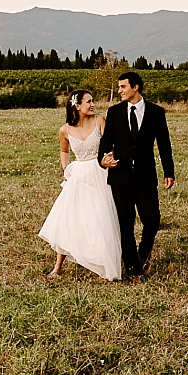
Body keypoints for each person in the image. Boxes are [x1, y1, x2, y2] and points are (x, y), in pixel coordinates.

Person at [38, 90, 122, 281]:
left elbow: (110, 145)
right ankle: (58, 266)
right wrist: (65, 169)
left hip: (100, 172)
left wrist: (109, 159)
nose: (93, 104)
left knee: (100, 216)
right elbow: (64, 150)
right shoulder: (64, 130)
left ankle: (104, 264)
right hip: (79, 175)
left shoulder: (100, 120)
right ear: (77, 106)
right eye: (89, 101)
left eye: (93, 101)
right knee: (69, 216)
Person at [98, 71, 174, 281]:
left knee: (152, 220)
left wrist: (169, 172)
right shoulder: (114, 112)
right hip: (120, 178)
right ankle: (133, 269)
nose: (120, 91)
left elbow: (164, 144)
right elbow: (106, 141)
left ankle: (143, 254)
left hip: (145, 176)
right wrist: (102, 159)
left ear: (136, 87)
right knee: (126, 224)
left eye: (123, 87)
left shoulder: (156, 112)